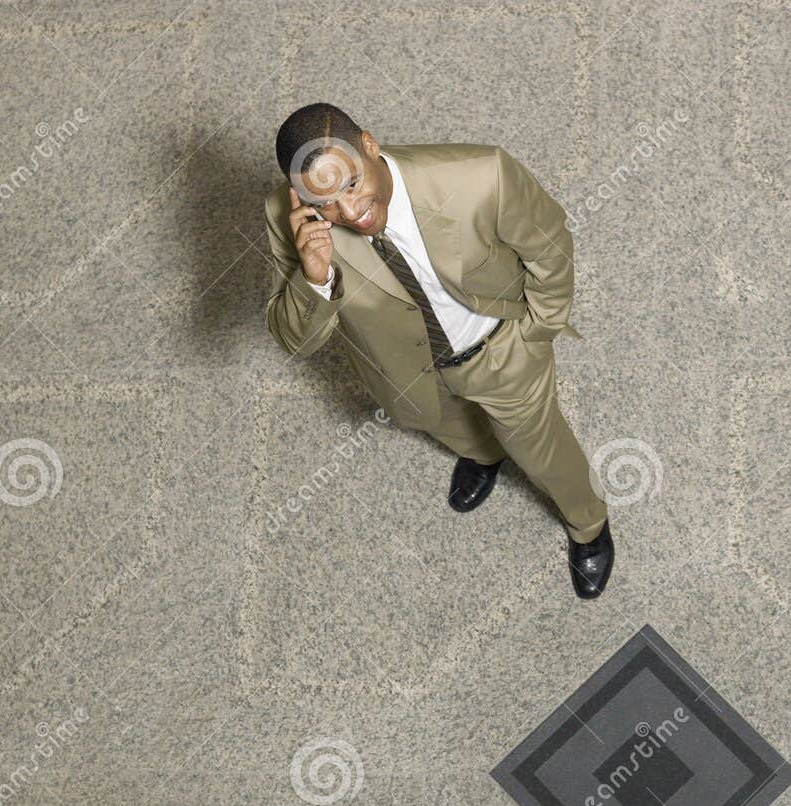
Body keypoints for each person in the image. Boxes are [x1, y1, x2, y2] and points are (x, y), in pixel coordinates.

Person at [263, 103, 613, 599]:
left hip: (501, 352)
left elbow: (550, 247)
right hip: (406, 374)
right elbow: (294, 340)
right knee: (455, 429)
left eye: (352, 184)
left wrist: (539, 331)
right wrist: (313, 277)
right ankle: (484, 453)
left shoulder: (482, 176)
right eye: (326, 203)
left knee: (543, 453)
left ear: (369, 146)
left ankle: (588, 524)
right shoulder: (292, 223)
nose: (350, 212)